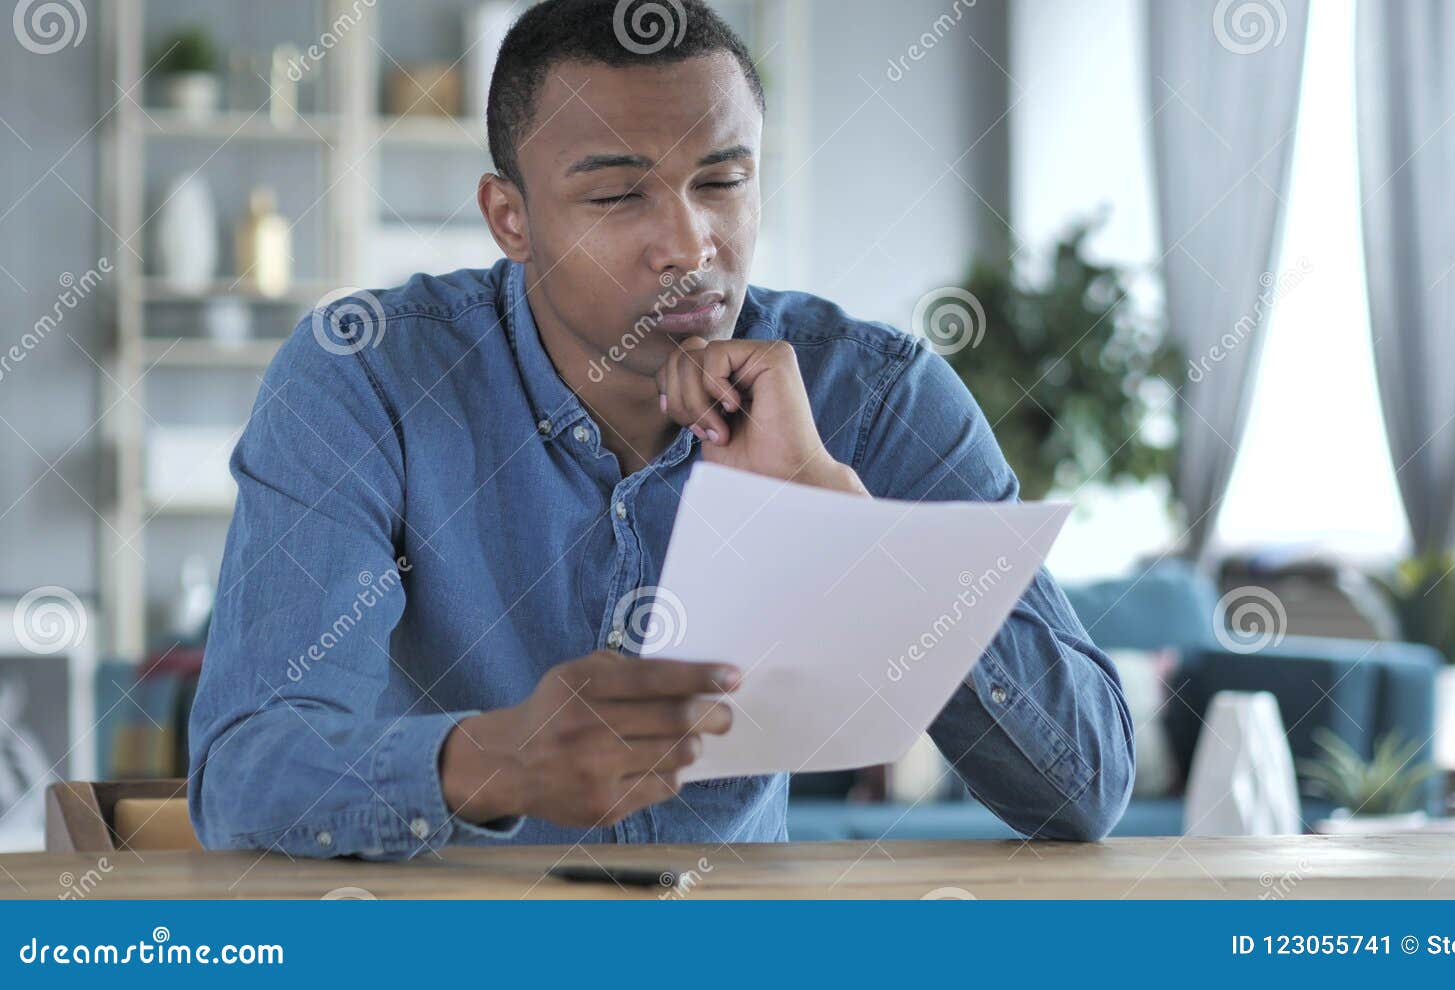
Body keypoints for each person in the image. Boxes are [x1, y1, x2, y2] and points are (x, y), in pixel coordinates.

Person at [187, 0, 1133, 860]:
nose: (689, 246)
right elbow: (244, 772)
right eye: (616, 196)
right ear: (510, 217)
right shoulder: (367, 378)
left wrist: (857, 533)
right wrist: (496, 760)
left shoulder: (875, 393)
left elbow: (1083, 792)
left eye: (722, 181)